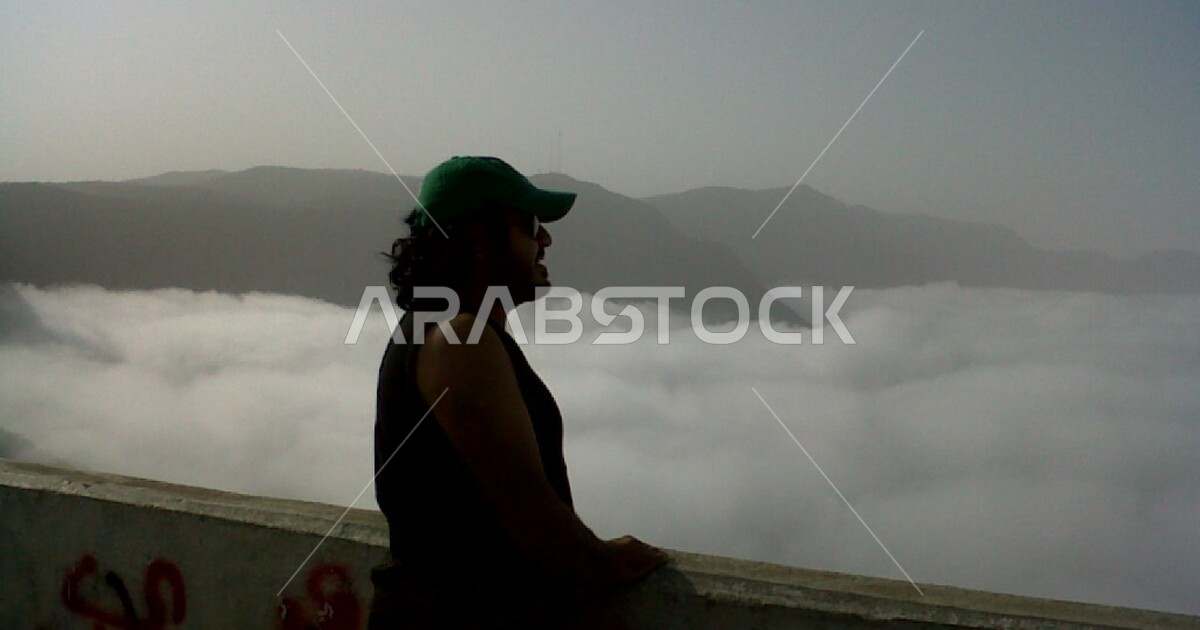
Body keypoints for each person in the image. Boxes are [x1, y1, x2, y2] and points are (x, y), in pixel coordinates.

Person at [369, 156, 670, 628]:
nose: (545, 240)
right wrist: (600, 565)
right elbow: (525, 509)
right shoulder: (460, 340)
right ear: (478, 240)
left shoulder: (439, 331)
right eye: (531, 227)